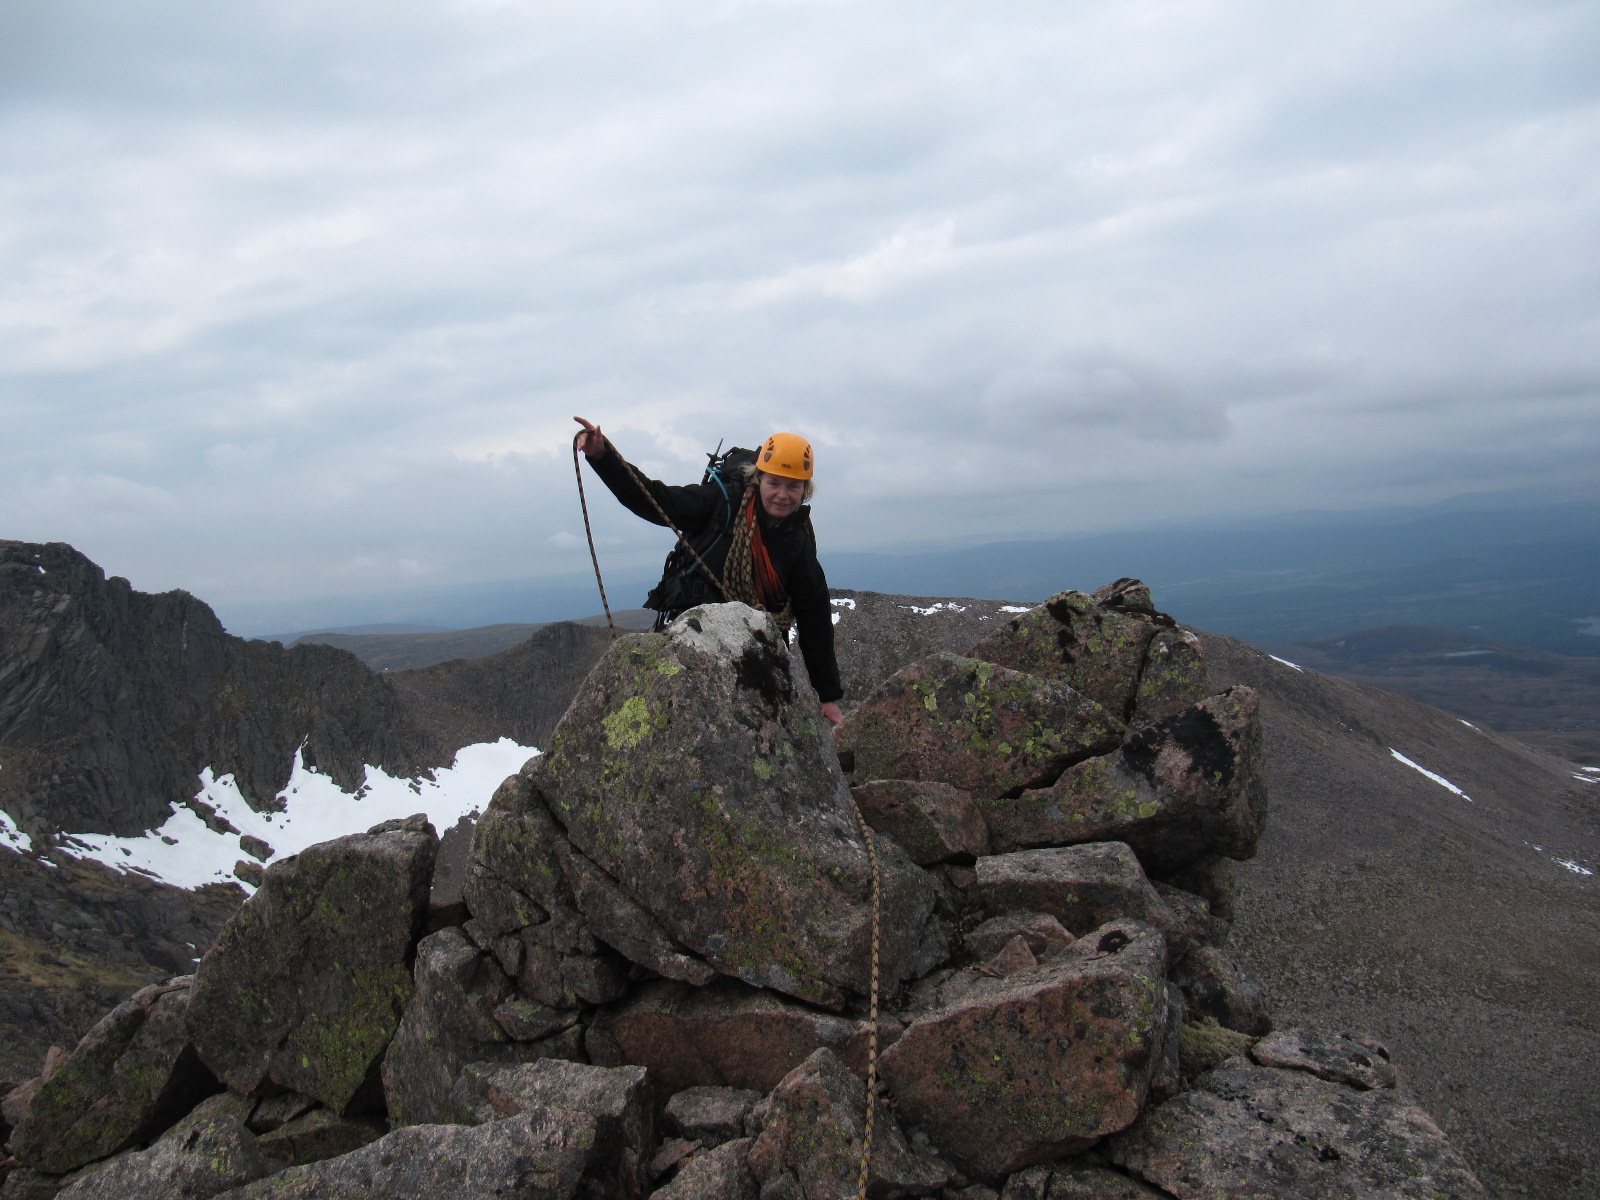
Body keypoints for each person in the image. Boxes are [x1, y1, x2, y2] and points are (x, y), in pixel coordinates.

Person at [573, 416, 844, 726]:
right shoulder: (720, 503)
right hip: (693, 637)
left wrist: (827, 696)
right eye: (774, 483)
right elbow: (653, 498)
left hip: (757, 651)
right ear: (758, 479)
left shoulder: (797, 540)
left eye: (793, 486)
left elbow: (814, 617)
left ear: (804, 490)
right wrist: (602, 456)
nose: (782, 494)